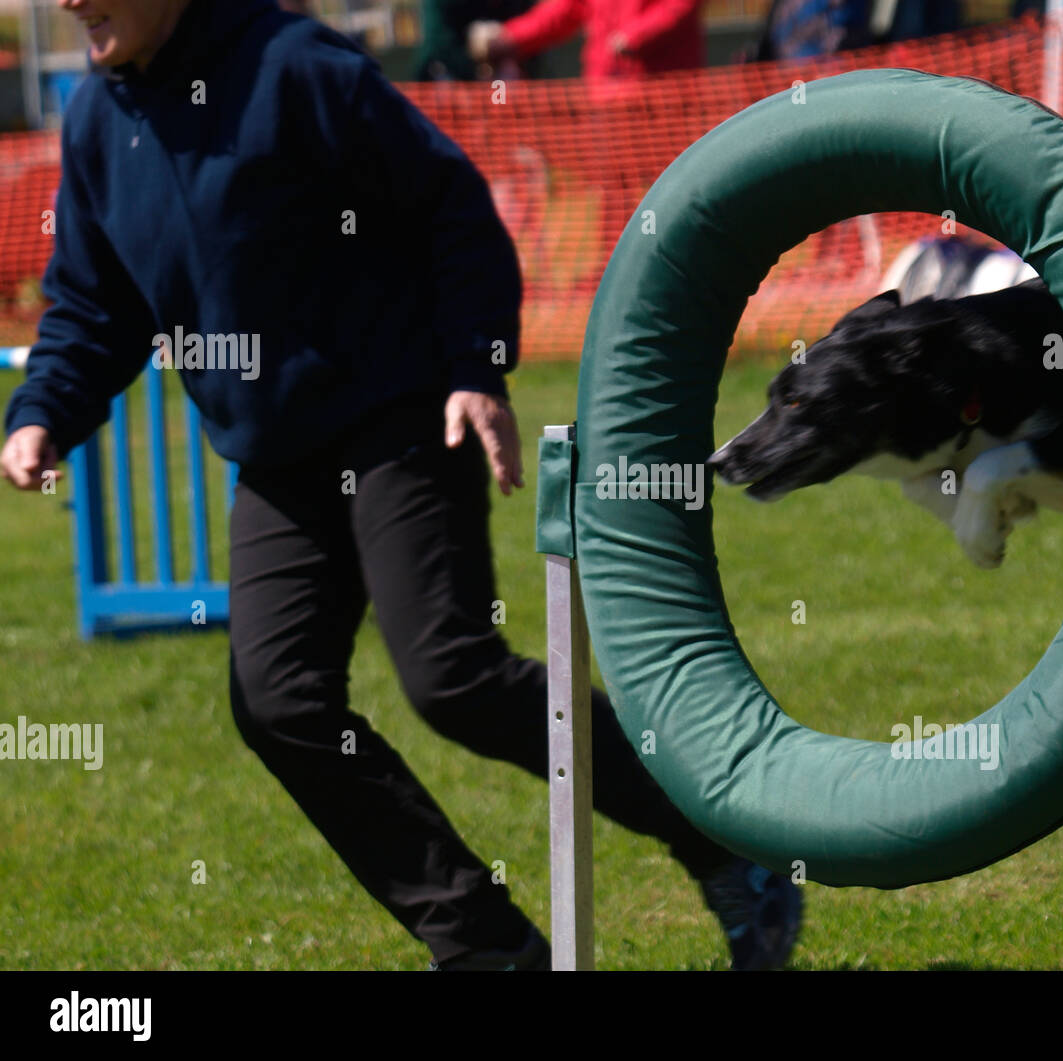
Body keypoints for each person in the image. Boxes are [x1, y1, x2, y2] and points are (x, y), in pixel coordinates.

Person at [1, 0, 802, 970]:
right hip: (275, 456)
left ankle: (724, 840)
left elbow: (447, 206)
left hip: (398, 410)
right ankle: (484, 944)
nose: (74, 1)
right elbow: (95, 298)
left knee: (450, 673)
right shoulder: (96, 119)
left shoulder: (295, 67)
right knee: (277, 703)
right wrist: (44, 408)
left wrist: (474, 365)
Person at [466, 0, 703, 85]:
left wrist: (633, 37)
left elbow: (679, 5)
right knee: (612, 187)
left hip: (662, 84)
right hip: (605, 84)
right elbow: (564, 11)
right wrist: (509, 37)